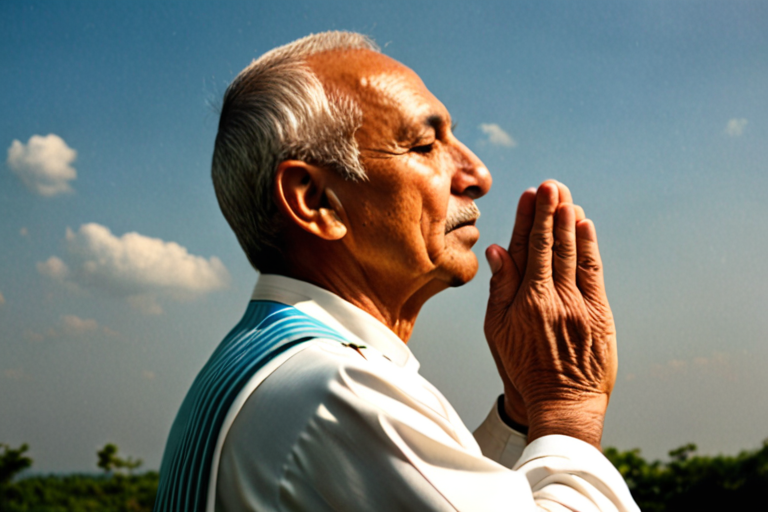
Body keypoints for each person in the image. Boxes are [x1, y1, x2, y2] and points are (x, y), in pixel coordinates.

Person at [155, 31, 639, 512]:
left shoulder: (270, 364)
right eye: (427, 145)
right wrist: (568, 408)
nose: (477, 175)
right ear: (316, 201)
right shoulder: (337, 388)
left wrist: (522, 415)